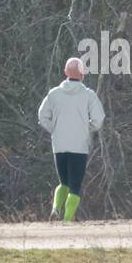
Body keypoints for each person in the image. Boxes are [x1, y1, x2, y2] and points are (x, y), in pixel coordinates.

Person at [37, 57, 105, 221]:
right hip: (79, 146)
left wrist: (55, 129)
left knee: (64, 182)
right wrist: (85, 129)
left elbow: (42, 116)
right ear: (82, 75)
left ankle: (55, 208)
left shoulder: (53, 94)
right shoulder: (88, 95)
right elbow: (98, 120)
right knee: (74, 186)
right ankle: (67, 220)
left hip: (59, 145)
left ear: (65, 72)